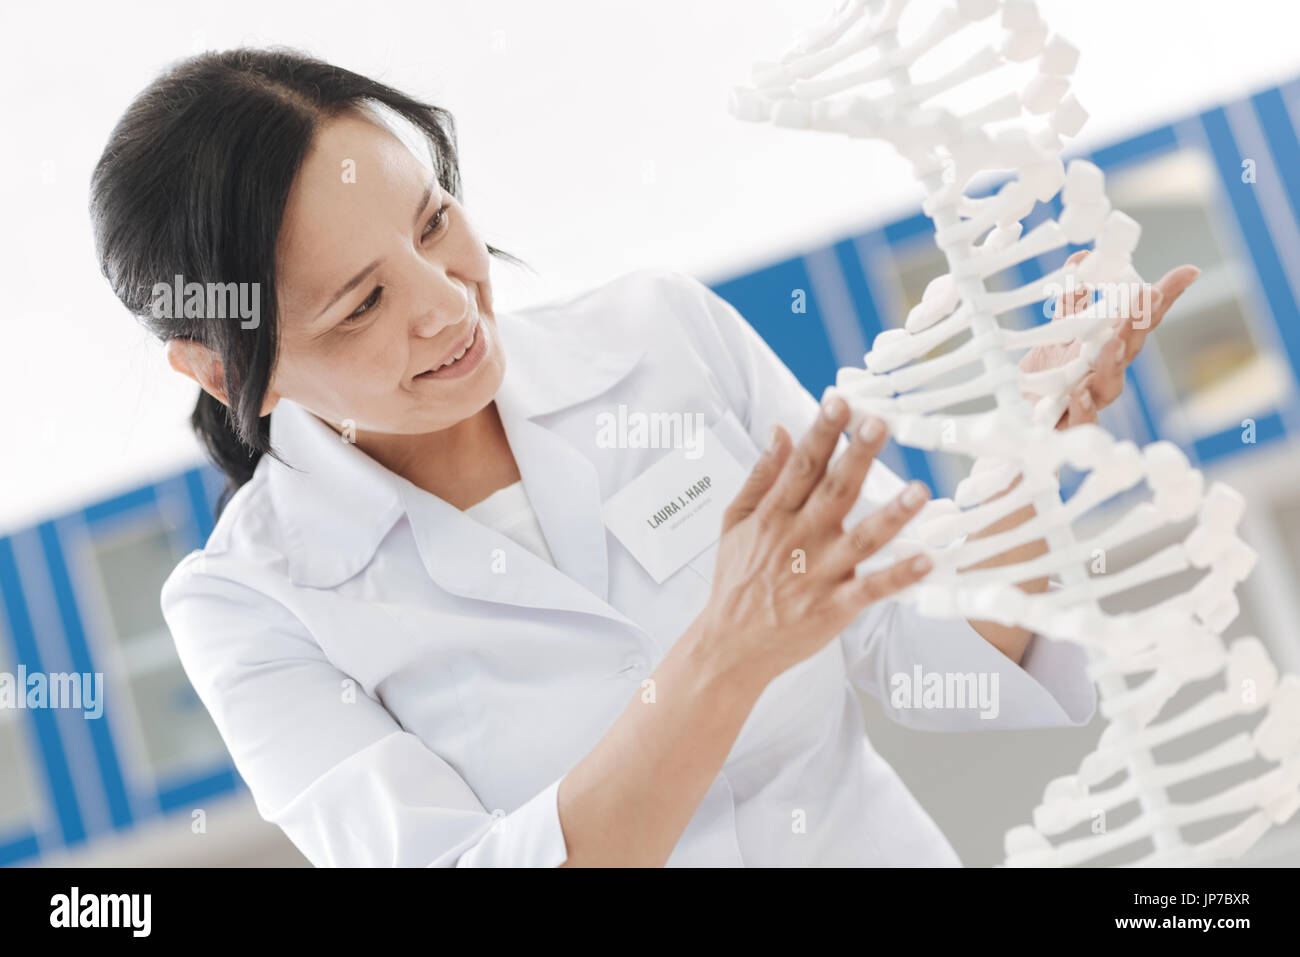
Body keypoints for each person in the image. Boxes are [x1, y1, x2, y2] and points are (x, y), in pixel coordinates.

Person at [88, 48, 1199, 867]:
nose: (447, 307)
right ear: (231, 373)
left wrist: (1031, 459)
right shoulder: (249, 606)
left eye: (432, 223)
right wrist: (724, 653)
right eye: (363, 302)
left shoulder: (656, 337)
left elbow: (921, 651)